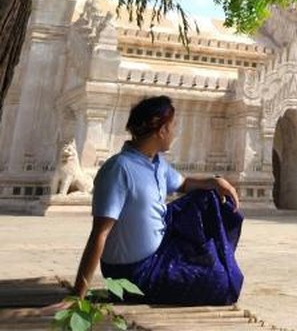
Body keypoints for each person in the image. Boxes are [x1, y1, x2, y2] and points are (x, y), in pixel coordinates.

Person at [72, 95, 243, 305]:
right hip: (133, 273)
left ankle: (207, 258)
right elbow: (100, 233)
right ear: (162, 130)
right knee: (221, 283)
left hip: (160, 252)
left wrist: (215, 181)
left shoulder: (157, 163)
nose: (174, 133)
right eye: (173, 127)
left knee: (208, 197)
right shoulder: (119, 168)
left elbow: (183, 184)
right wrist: (76, 296)